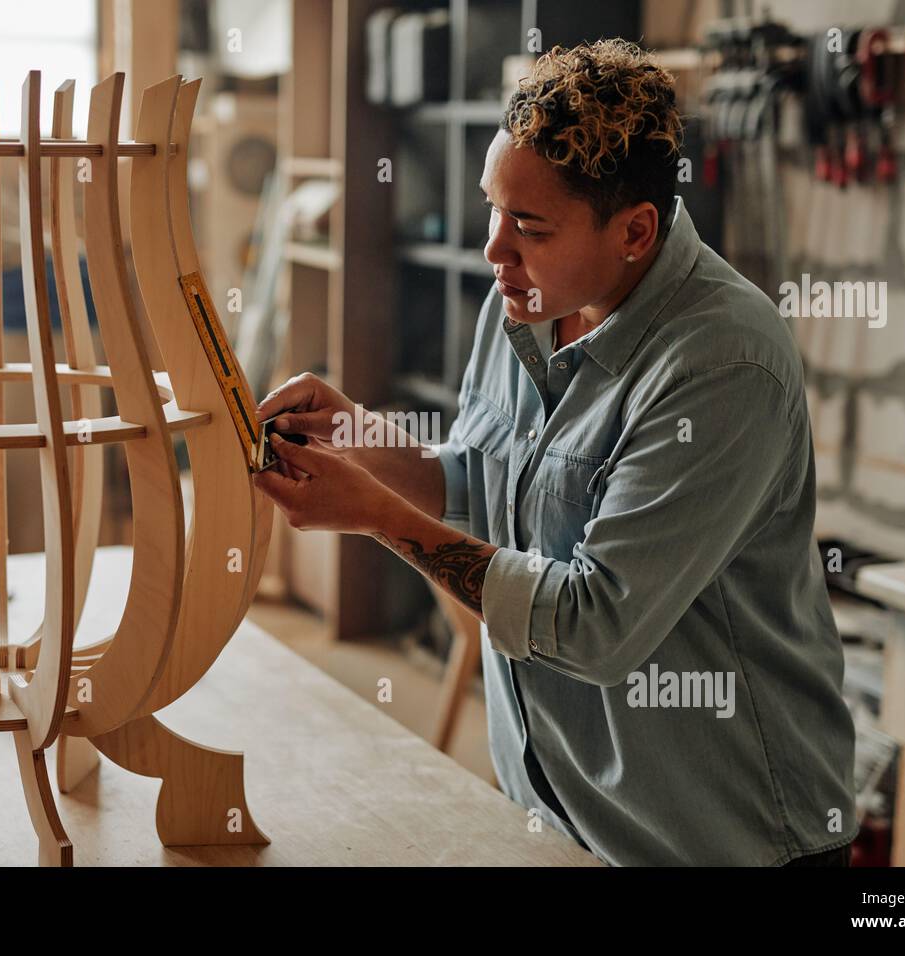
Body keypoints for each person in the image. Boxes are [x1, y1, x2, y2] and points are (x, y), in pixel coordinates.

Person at [254, 38, 856, 866]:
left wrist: (374, 518)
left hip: (719, 836)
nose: (494, 248)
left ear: (636, 231)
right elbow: (475, 484)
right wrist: (355, 435)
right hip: (557, 814)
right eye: (493, 209)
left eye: (529, 227)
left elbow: (595, 627)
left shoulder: (723, 365)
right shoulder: (527, 299)